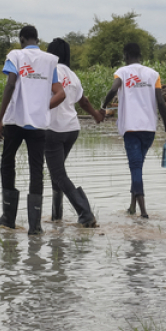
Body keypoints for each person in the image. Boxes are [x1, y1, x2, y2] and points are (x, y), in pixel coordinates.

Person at [0, 25, 66, 236]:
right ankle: (35, 227)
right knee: (36, 170)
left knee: (7, 163)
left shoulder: (15, 55)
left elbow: (10, 84)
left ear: (22, 39)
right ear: (37, 39)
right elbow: (56, 89)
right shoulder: (50, 60)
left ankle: (8, 219)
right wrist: (42, 107)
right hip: (39, 123)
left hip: (15, 121)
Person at [102, 42, 166, 219]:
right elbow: (161, 103)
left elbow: (113, 89)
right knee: (138, 166)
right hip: (149, 129)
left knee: (135, 167)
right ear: (139, 55)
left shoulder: (122, 72)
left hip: (131, 128)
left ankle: (143, 212)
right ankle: (132, 206)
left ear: (126, 55)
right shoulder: (153, 74)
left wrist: (102, 107)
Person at [44, 38, 103, 228]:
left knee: (59, 174)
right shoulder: (72, 75)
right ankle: (56, 215)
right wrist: (95, 115)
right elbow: (83, 101)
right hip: (72, 129)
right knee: (57, 174)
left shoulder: (50, 71)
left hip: (54, 128)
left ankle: (85, 213)